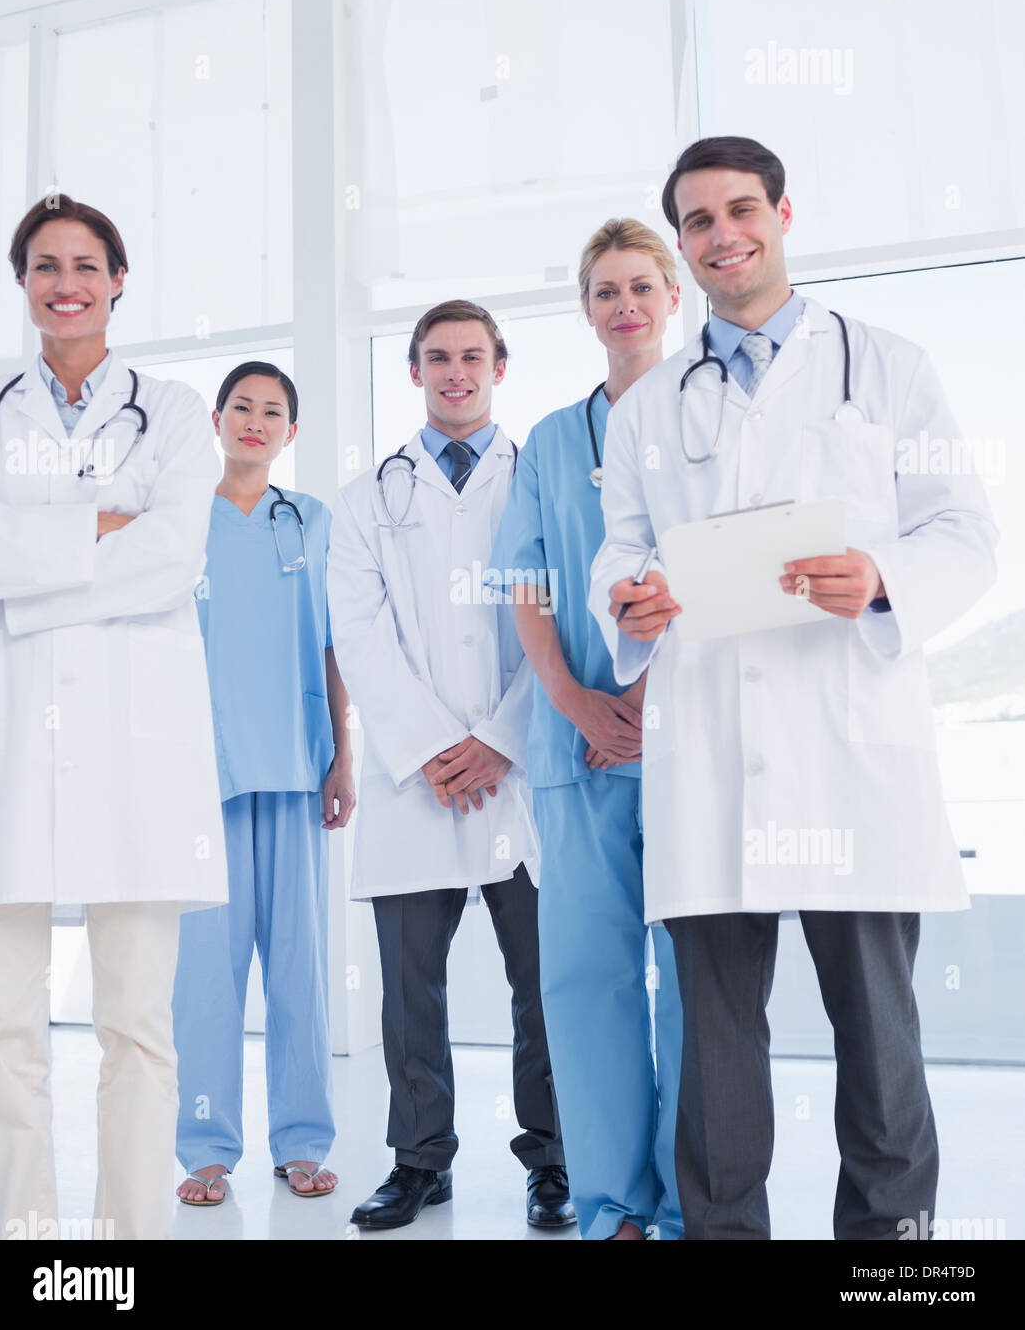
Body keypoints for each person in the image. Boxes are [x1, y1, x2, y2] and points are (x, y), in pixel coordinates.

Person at [589, 136, 998, 1240]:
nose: (722, 234)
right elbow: (618, 549)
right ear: (681, 243)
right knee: (715, 1044)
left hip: (848, 744)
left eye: (738, 209)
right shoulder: (648, 408)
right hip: (711, 749)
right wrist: (624, 596)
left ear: (780, 212)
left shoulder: (886, 364)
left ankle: (887, 1248)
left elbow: (966, 533)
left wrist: (879, 578)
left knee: (878, 1030)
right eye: (697, 220)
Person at [0, 196, 228, 1241]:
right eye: (45, 265)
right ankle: (24, 1245)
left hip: (140, 749)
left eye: (87, 263)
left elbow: (176, 554)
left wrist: (22, 559)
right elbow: (134, 554)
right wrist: (102, 530)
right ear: (24, 282)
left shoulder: (172, 409)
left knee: (137, 1025)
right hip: (8, 743)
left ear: (118, 279)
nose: (66, 281)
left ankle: (125, 1258)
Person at [327, 300, 573, 1231]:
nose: (455, 372)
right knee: (408, 996)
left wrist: (501, 739)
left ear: (500, 366)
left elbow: (554, 619)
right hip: (416, 782)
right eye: (437, 358)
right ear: (415, 372)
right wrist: (436, 746)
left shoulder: (540, 481)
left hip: (519, 772)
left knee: (544, 988)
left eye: (472, 356)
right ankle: (420, 1162)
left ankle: (552, 1163)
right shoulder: (366, 499)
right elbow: (359, 632)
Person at [488, 219, 684, 1240]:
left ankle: (694, 1202)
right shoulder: (554, 442)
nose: (624, 304)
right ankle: (614, 1205)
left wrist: (646, 705)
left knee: (697, 985)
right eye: (605, 289)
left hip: (683, 740)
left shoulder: (706, 419)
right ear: (585, 308)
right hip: (578, 747)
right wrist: (575, 704)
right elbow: (524, 582)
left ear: (674, 296)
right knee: (585, 979)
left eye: (641, 285)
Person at [172, 362, 355, 1207]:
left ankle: (302, 1141)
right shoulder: (180, 525)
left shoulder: (312, 522)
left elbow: (333, 644)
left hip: (294, 767)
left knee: (300, 972)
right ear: (216, 418)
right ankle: (206, 1149)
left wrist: (342, 755)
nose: (255, 420)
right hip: (200, 777)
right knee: (206, 977)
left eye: (273, 410)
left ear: (293, 431)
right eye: (241, 406)